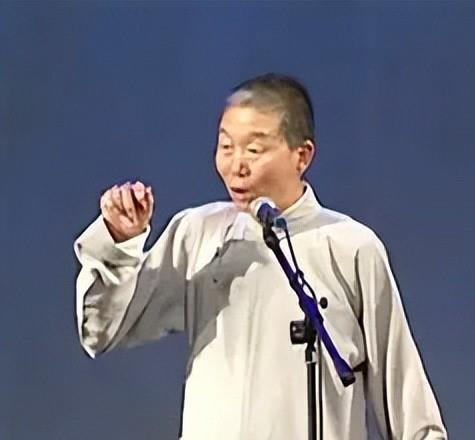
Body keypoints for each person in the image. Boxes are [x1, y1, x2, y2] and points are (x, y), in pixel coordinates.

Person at [73, 73, 447, 439]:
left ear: (302, 156)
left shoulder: (350, 247)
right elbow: (101, 329)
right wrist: (118, 241)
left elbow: (406, 401)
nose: (237, 165)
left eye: (254, 150)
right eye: (226, 147)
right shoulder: (198, 233)